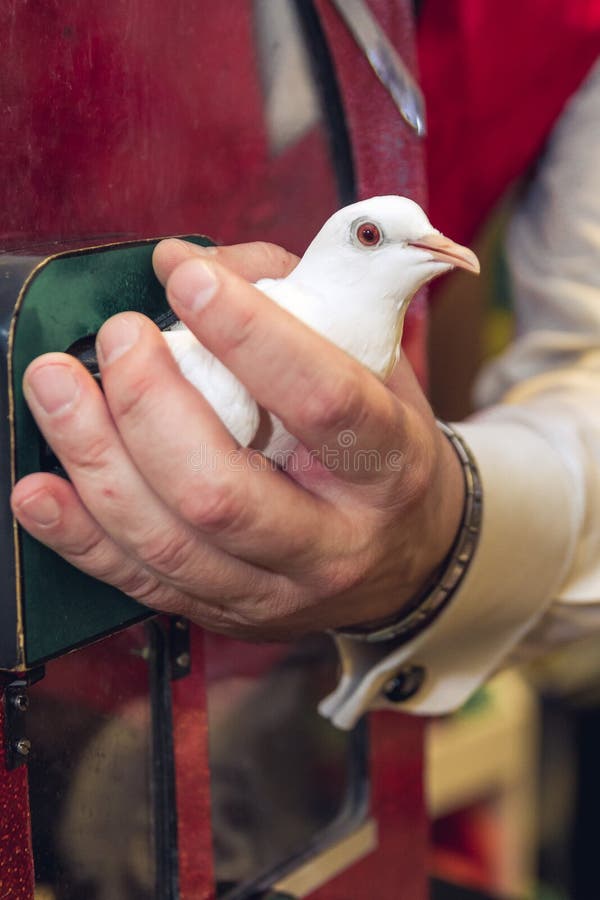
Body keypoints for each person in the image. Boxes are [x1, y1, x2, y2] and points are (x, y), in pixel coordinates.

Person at [9, 43, 600, 729]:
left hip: (306, 696)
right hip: (68, 677)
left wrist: (447, 525)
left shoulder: (568, 24)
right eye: (376, 236)